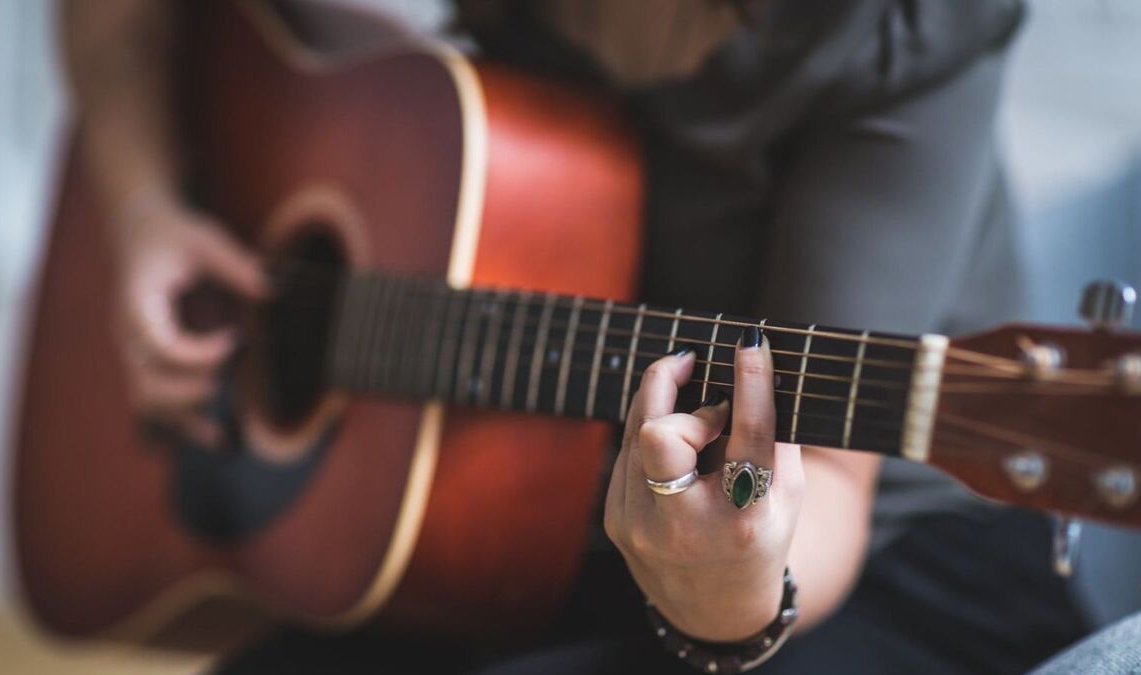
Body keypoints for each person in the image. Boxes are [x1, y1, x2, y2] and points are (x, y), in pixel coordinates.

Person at [61, 0, 1091, 672]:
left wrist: (731, 596)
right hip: (536, 508)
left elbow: (822, 481)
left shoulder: (903, 24)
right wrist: (143, 202)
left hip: (870, 565)